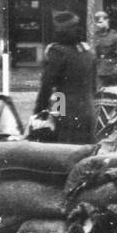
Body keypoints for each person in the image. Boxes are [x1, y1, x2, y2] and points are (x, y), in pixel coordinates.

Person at [33, 10, 98, 144]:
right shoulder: (88, 52)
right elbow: (94, 86)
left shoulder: (57, 52)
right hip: (88, 110)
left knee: (63, 150)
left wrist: (39, 111)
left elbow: (48, 86)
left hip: (64, 108)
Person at [91, 10, 117, 86]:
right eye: (96, 23)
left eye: (100, 22)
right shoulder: (96, 36)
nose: (98, 25)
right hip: (100, 72)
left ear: (107, 21)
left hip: (113, 72)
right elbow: (95, 55)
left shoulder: (116, 36)